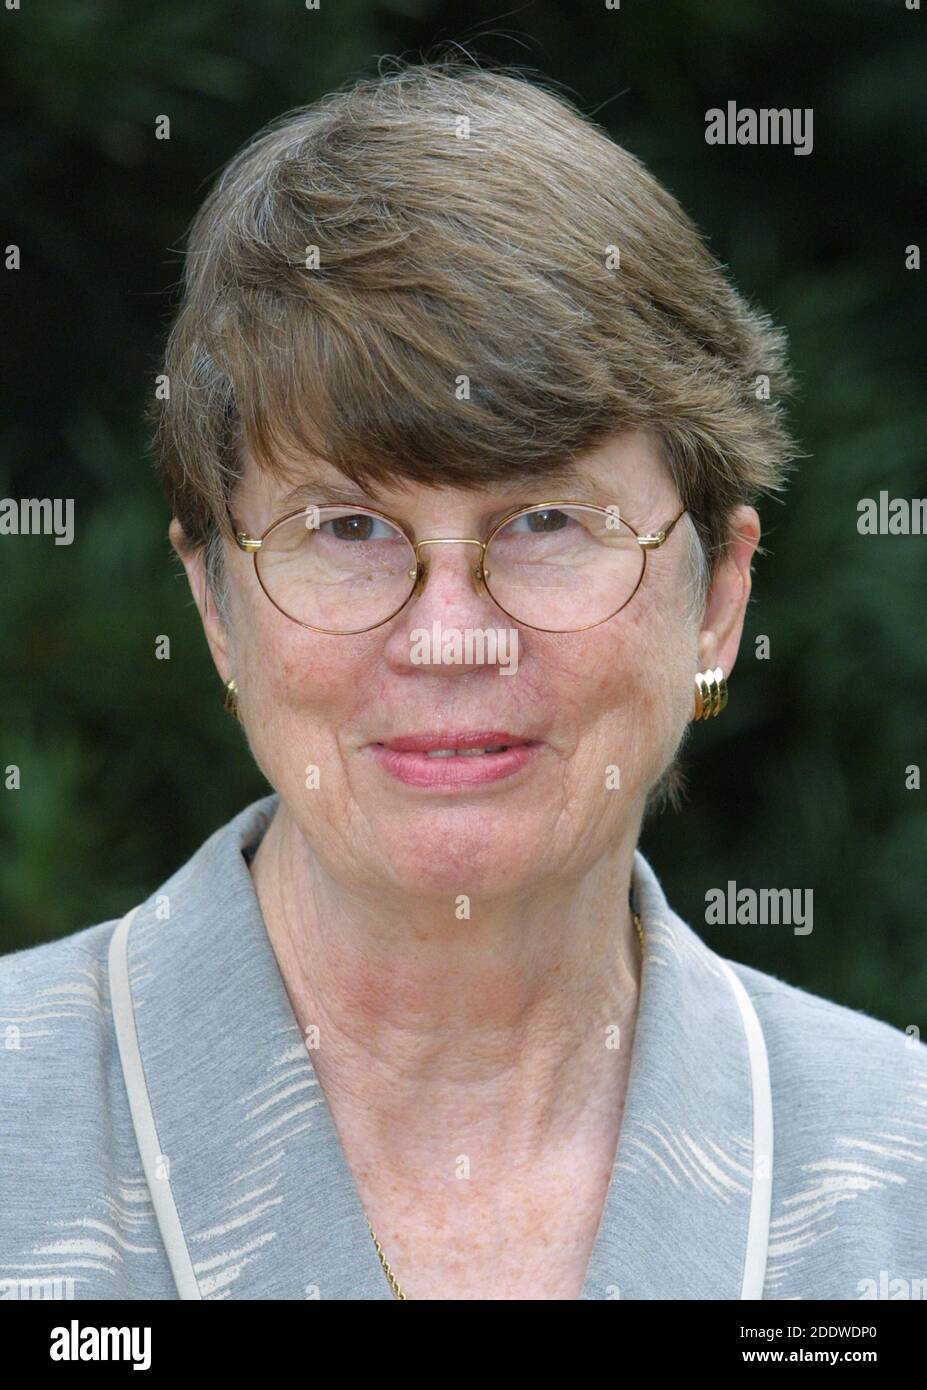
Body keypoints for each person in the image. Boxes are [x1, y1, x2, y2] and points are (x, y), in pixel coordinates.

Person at [2, 59, 924, 1302]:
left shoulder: (905, 1176)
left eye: (546, 521)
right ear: (216, 607)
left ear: (717, 599)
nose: (449, 637)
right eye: (347, 528)